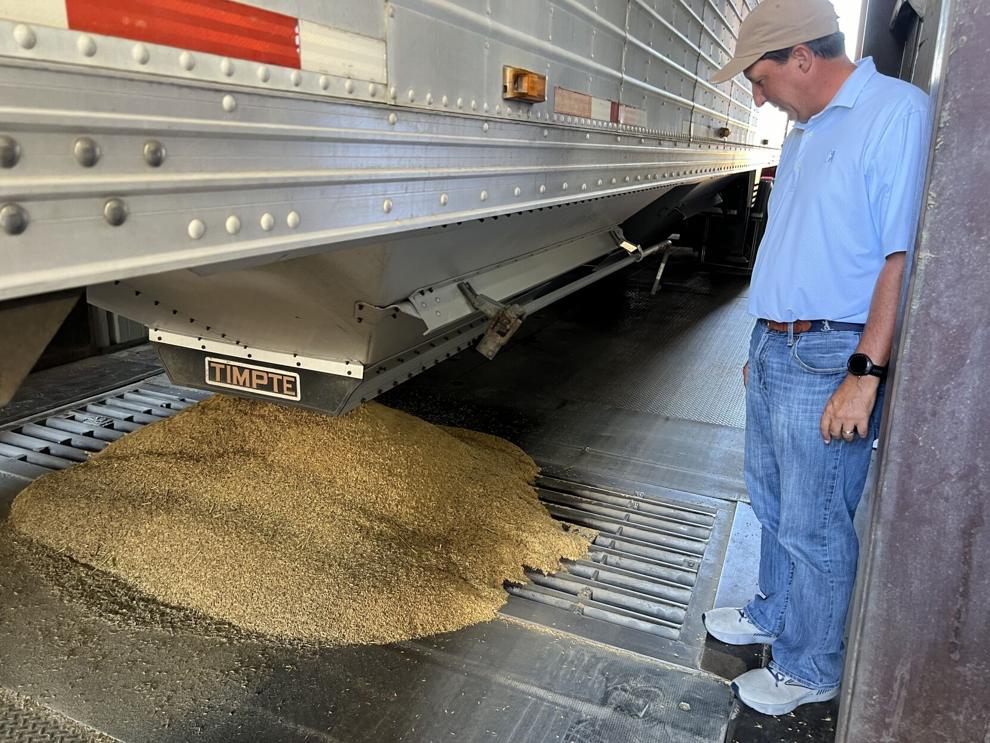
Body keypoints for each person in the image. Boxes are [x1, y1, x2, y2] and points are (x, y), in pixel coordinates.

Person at [700, 0, 931, 716]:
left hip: (834, 349)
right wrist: (761, 340)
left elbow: (901, 257)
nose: (757, 96)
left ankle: (809, 666)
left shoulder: (896, 113)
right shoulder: (804, 133)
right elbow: (794, 239)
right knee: (770, 500)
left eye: (761, 78)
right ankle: (773, 612)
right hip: (778, 343)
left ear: (803, 57)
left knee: (816, 519)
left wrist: (864, 374)